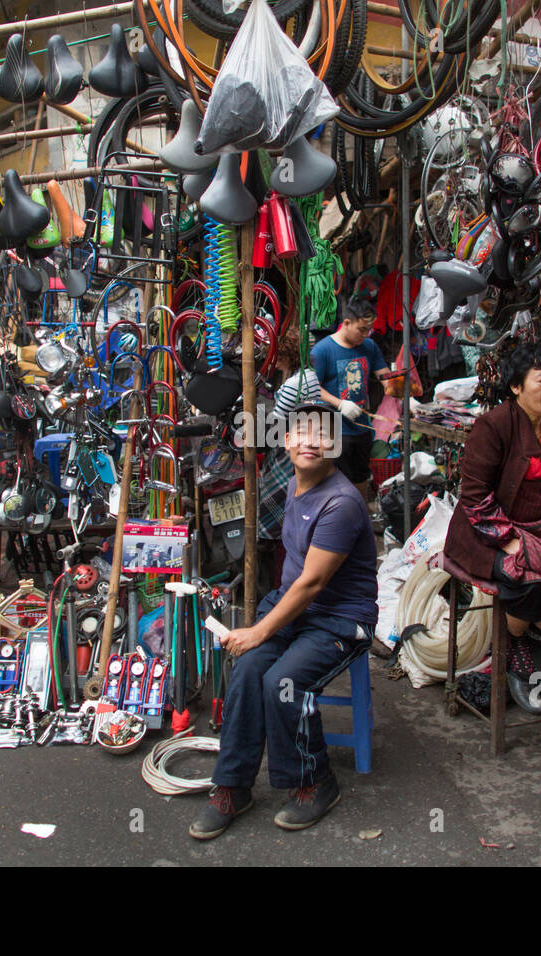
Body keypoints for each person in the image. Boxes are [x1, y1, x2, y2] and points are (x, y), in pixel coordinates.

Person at [190, 403, 377, 839]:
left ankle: (315, 782)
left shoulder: (342, 503)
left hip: (338, 620)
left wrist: (259, 629)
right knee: (249, 670)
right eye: (301, 433)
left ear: (336, 443)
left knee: (282, 683)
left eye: (322, 434)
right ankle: (233, 785)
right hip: (294, 610)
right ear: (286, 440)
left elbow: (312, 584)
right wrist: (262, 633)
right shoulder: (295, 484)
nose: (310, 442)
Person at [442, 343, 541, 711]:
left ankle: (520, 643)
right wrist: (508, 540)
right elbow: (474, 496)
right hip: (486, 533)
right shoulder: (493, 426)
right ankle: (520, 650)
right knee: (526, 578)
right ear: (516, 387)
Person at [311, 296, 389, 497]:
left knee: (361, 478)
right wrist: (340, 403)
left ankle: (360, 521)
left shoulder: (369, 346)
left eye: (368, 329)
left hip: (361, 427)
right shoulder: (323, 350)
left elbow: (385, 378)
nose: (366, 334)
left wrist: (403, 394)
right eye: (361, 329)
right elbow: (312, 387)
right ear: (346, 323)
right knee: (336, 483)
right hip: (335, 429)